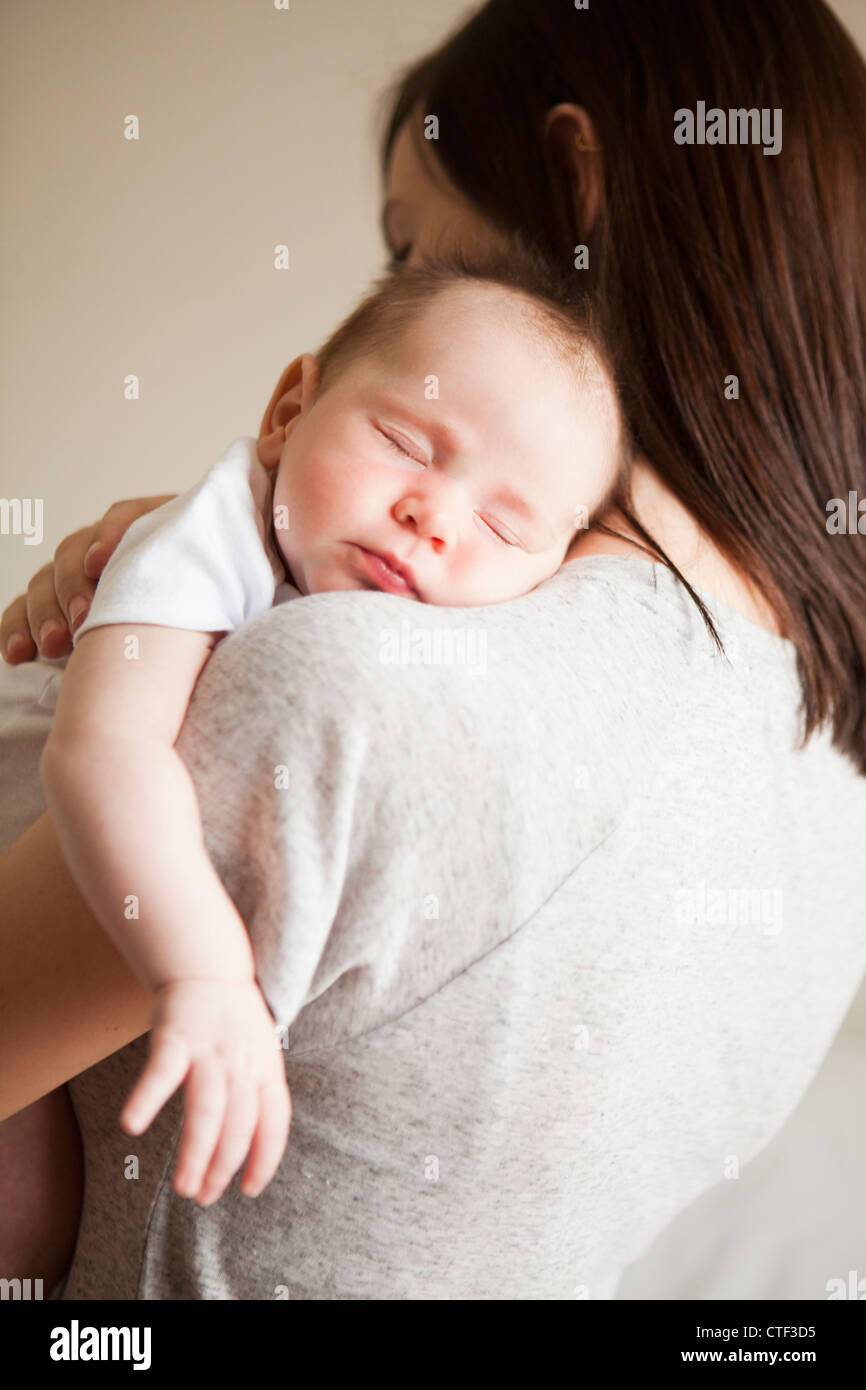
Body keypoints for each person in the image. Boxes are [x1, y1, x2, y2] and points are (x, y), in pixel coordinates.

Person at [1, 0, 864, 1301]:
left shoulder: (350, 696)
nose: (400, 295)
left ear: (574, 185)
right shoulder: (829, 799)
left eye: (414, 246)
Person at [38, 244, 628, 1208]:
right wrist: (210, 977)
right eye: (407, 442)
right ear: (288, 412)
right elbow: (105, 751)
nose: (433, 516)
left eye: (505, 527)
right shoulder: (204, 536)